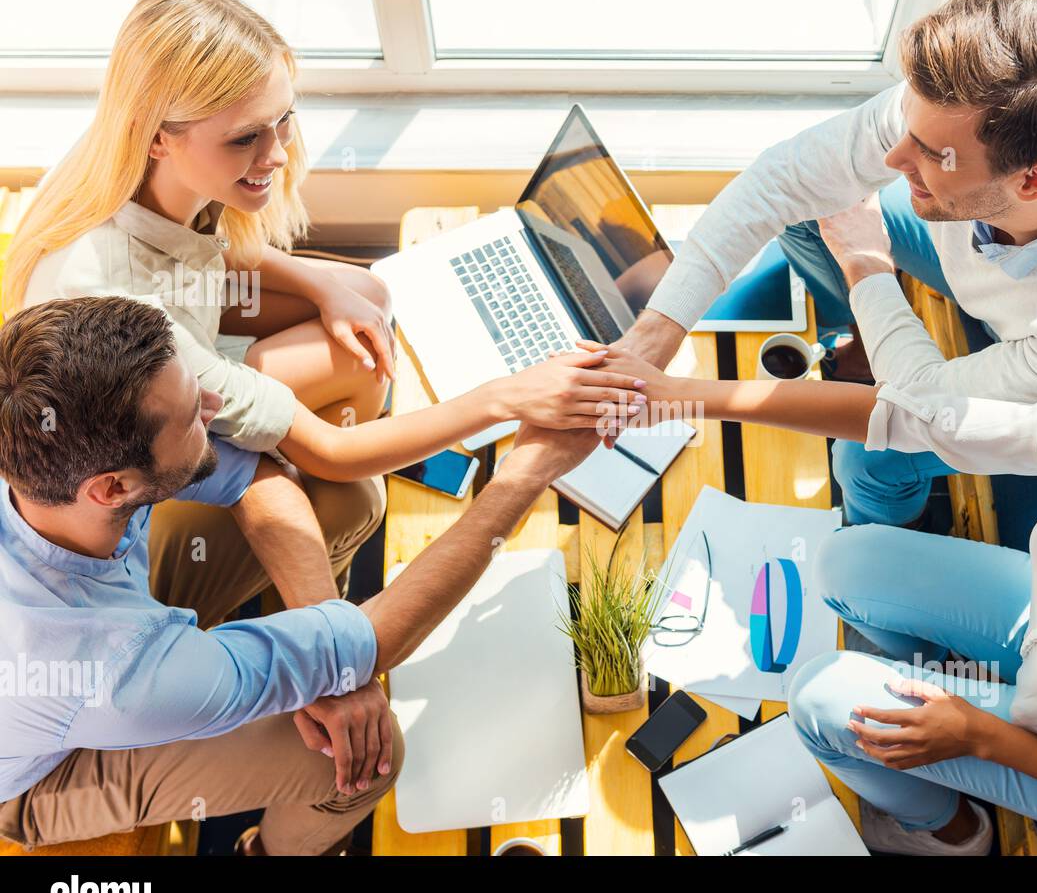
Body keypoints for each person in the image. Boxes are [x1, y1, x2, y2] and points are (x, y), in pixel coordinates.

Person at [2, 0, 646, 623]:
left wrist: (323, 286)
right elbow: (324, 453)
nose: (277, 155)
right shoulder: (119, 308)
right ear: (158, 138)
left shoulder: (128, 167)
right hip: (155, 451)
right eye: (245, 138)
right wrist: (508, 396)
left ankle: (370, 444)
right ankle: (314, 586)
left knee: (367, 297)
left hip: (187, 343)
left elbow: (198, 253)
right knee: (351, 488)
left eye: (284, 120)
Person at [590, 341, 1037, 853]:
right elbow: (911, 418)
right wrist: (689, 396)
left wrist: (980, 733)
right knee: (843, 560)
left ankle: (952, 831)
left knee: (820, 697)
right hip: (1036, 641)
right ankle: (938, 683)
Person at [0, 296, 597, 854]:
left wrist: (325, 665)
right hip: (41, 769)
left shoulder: (52, 460)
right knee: (359, 756)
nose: (214, 408)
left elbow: (253, 474)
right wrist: (524, 476)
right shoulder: (116, 671)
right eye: (190, 415)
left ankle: (262, 663)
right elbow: (380, 640)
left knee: (346, 500)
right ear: (113, 489)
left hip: (114, 626)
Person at [606, 0, 1037, 528]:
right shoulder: (964, 109)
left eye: (927, 155)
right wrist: (651, 338)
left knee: (869, 459)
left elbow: (923, 406)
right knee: (816, 213)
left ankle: (880, 538)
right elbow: (777, 181)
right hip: (994, 288)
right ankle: (870, 343)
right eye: (905, 130)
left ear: (1033, 181)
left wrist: (869, 270)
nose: (893, 160)